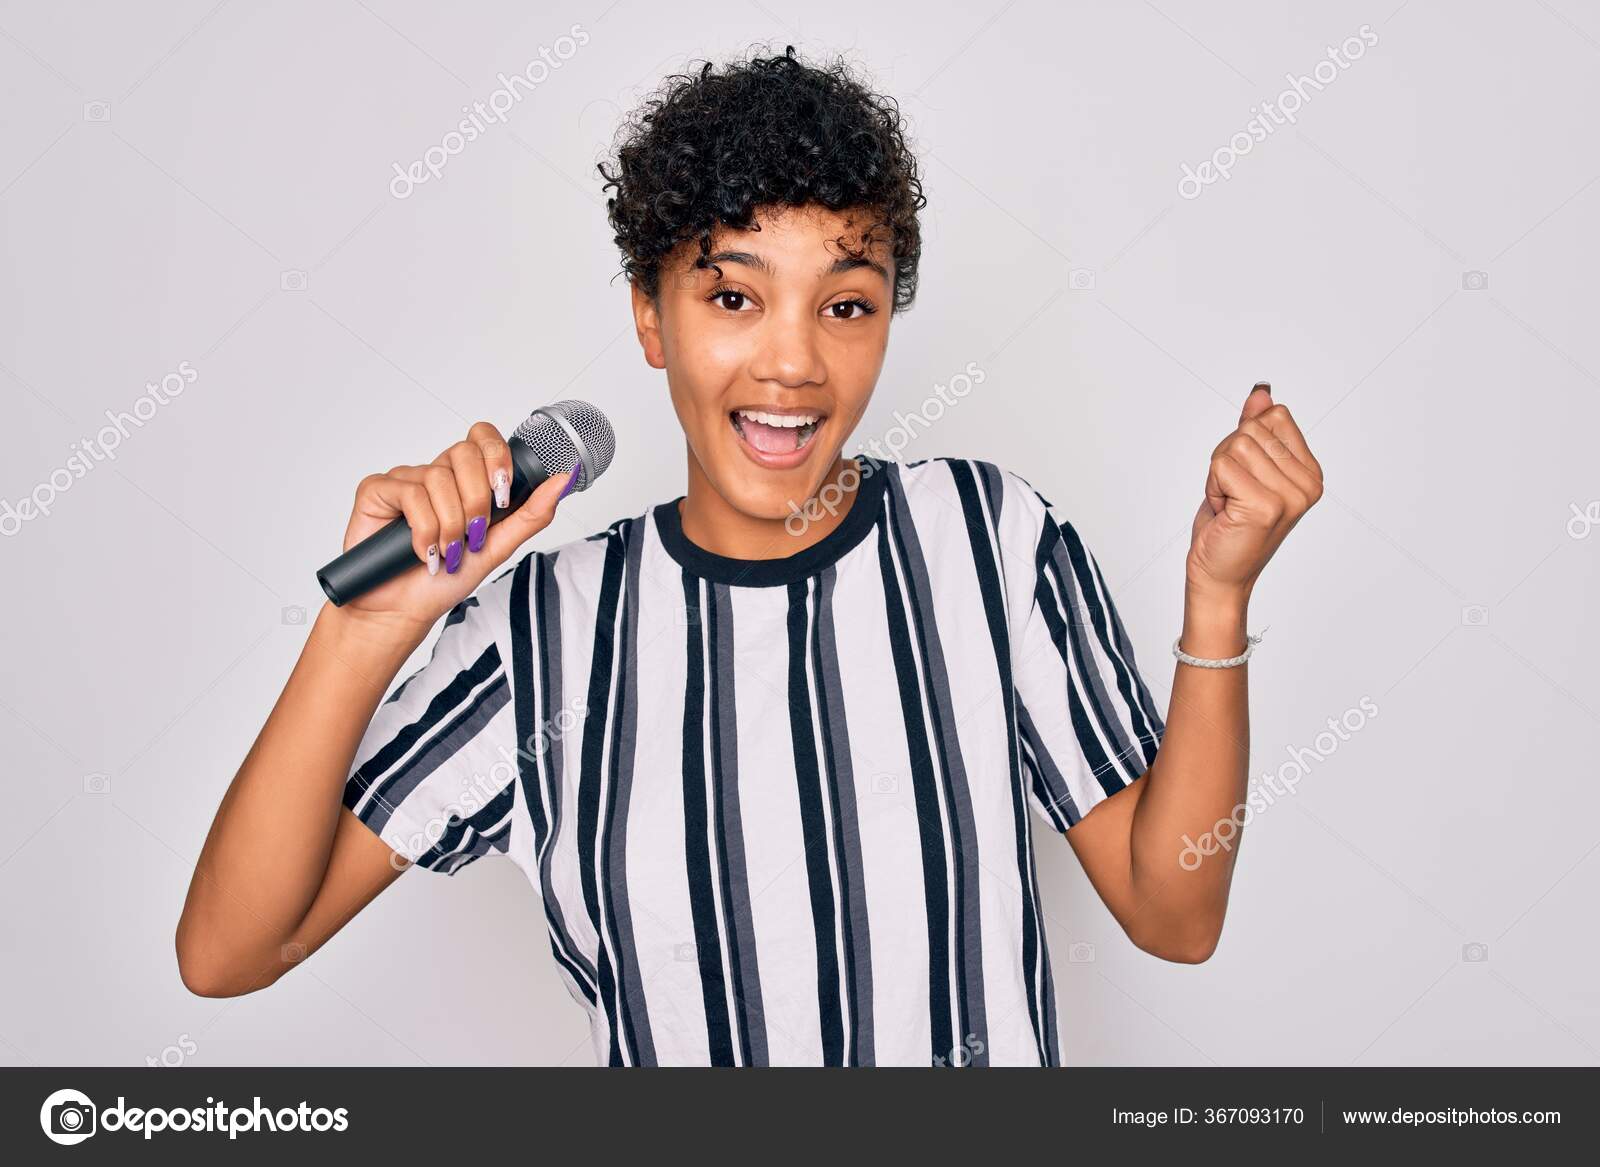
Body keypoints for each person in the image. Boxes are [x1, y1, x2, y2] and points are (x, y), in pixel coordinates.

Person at [176, 47, 1323, 1066]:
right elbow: (230, 952)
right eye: (733, 294)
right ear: (649, 316)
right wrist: (364, 631)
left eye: (845, 305)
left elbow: (1174, 917)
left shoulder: (988, 543)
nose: (792, 365)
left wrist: (1216, 599)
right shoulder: (540, 634)